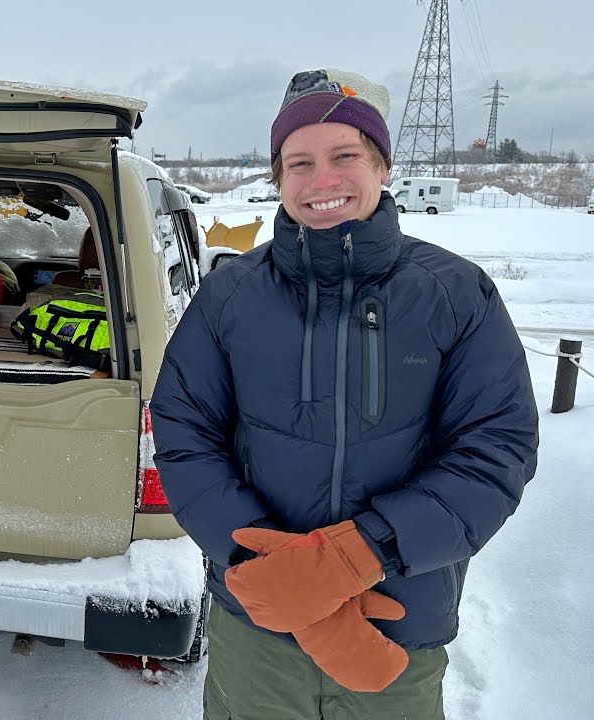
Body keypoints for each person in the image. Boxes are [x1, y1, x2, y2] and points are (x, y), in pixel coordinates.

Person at [150, 68, 539, 719]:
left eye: (345, 156)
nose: (321, 180)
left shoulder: (456, 295)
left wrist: (360, 554)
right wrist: (269, 570)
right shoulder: (228, 298)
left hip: (395, 629)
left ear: (382, 166)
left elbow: (496, 452)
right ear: (278, 178)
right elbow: (186, 437)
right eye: (298, 162)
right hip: (258, 635)